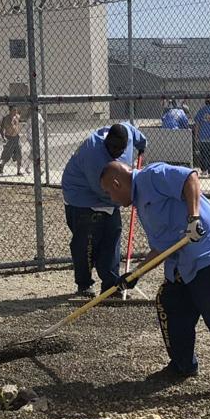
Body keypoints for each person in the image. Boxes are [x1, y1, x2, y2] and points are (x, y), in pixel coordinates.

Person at [100, 160, 210, 397]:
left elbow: (190, 178)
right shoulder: (142, 203)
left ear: (117, 183)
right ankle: (183, 365)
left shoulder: (151, 176)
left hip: (209, 251)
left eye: (109, 192)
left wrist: (193, 218)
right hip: (186, 262)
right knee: (171, 303)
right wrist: (135, 274)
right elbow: (162, 248)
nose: (112, 199)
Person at [61, 122, 147, 299]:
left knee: (112, 239)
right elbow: (103, 191)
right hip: (83, 197)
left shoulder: (128, 133)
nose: (116, 152)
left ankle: (111, 286)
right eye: (112, 148)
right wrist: (130, 197)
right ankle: (84, 285)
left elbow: (141, 140)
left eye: (120, 149)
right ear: (106, 141)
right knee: (87, 244)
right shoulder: (94, 154)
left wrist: (142, 147)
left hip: (112, 195)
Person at [194, 98, 210, 176]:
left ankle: (204, 170)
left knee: (203, 154)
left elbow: (197, 124)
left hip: (203, 137)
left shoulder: (202, 110)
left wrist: (196, 136)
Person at [0, 106, 22, 174]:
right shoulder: (6, 118)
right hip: (9, 138)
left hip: (16, 137)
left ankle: (18, 171)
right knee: (7, 156)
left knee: (19, 155)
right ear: (10, 111)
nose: (15, 112)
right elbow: (1, 129)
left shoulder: (17, 117)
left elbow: (21, 115)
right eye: (13, 110)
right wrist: (3, 137)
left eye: (16, 110)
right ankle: (2, 166)